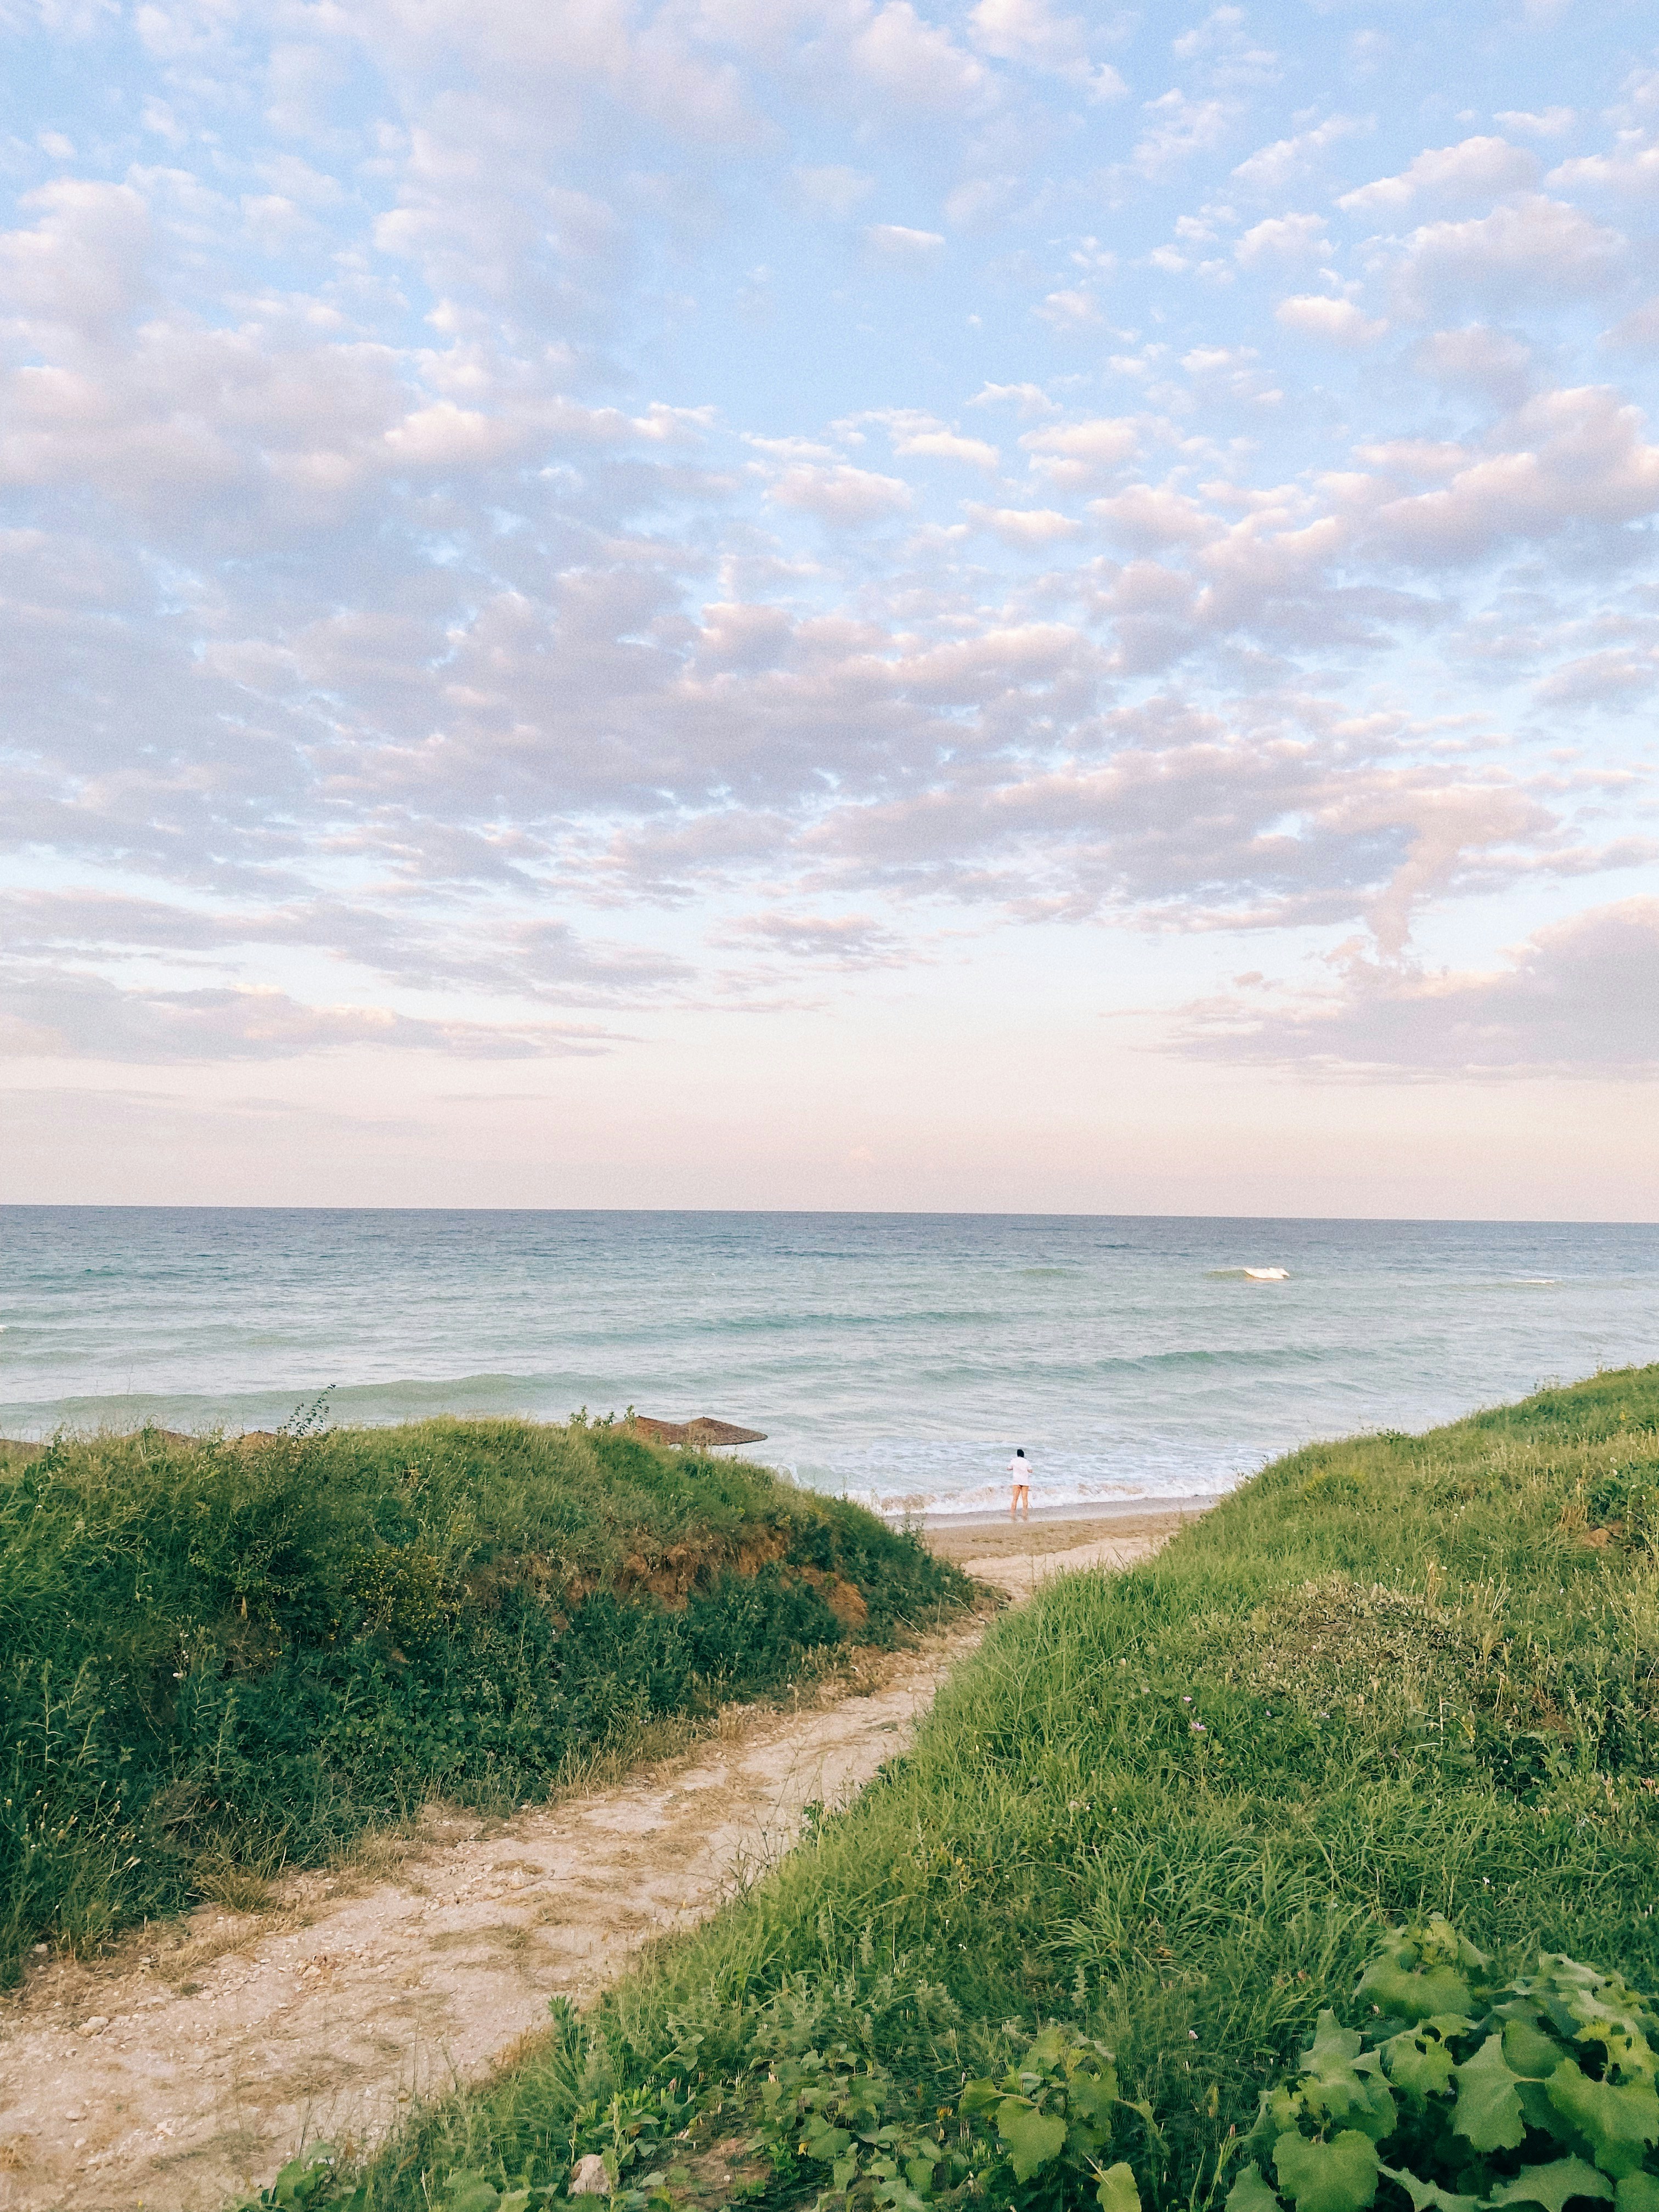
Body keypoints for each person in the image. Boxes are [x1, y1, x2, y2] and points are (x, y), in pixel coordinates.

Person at [1008, 1447, 1031, 1520]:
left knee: (1015, 1499)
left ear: (1017, 1454)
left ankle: (1012, 1514)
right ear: (1023, 1454)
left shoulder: (1014, 1460)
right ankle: (1025, 1514)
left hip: (1016, 1482)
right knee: (1025, 1499)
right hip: (1025, 1482)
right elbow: (1030, 1470)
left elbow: (1008, 1468)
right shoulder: (1026, 1461)